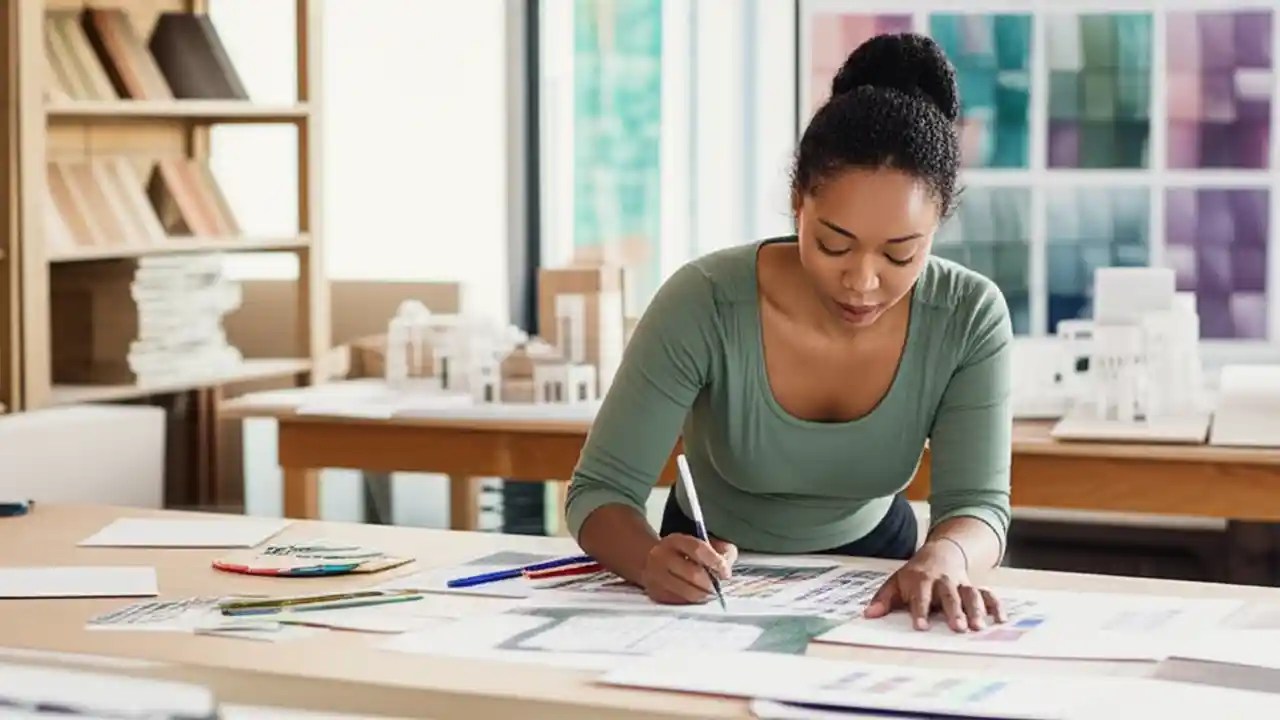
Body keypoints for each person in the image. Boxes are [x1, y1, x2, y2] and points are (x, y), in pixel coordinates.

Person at [564, 32, 1012, 633]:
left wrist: (946, 555)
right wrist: (647, 561)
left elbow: (979, 507)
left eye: (901, 255)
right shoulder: (705, 300)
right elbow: (599, 490)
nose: (863, 281)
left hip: (879, 571)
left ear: (939, 225)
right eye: (834, 243)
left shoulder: (969, 315)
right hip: (701, 574)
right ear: (797, 202)